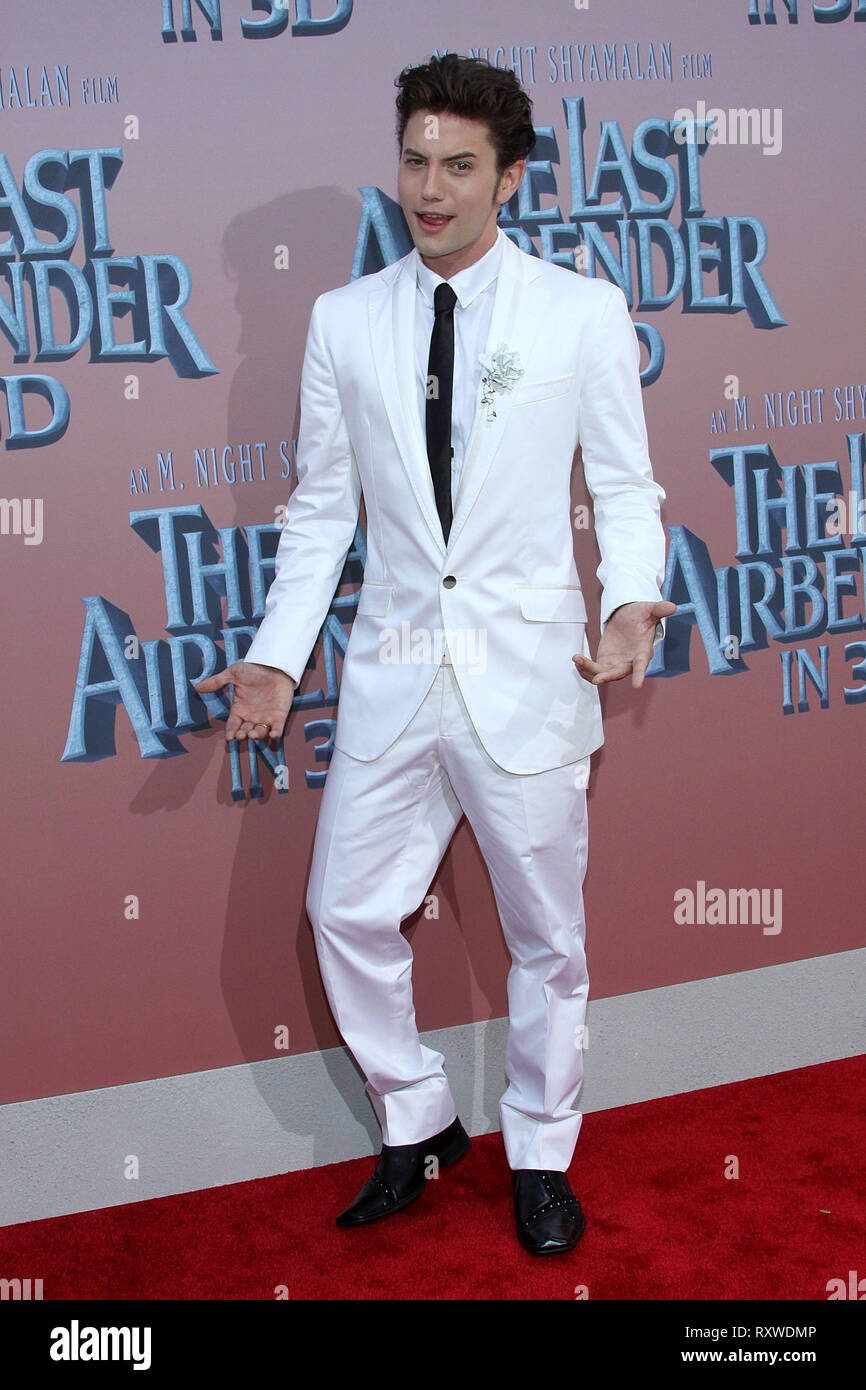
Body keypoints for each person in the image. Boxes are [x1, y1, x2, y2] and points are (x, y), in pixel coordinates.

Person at [196, 52, 674, 1256]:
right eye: (414, 159)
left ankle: (542, 1149)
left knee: (546, 940)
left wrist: (631, 601)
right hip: (394, 672)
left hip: (530, 674)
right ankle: (415, 1118)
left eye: (459, 164)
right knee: (343, 911)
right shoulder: (344, 321)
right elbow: (321, 511)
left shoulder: (579, 311)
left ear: (507, 176)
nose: (430, 186)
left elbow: (622, 485)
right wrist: (273, 657)